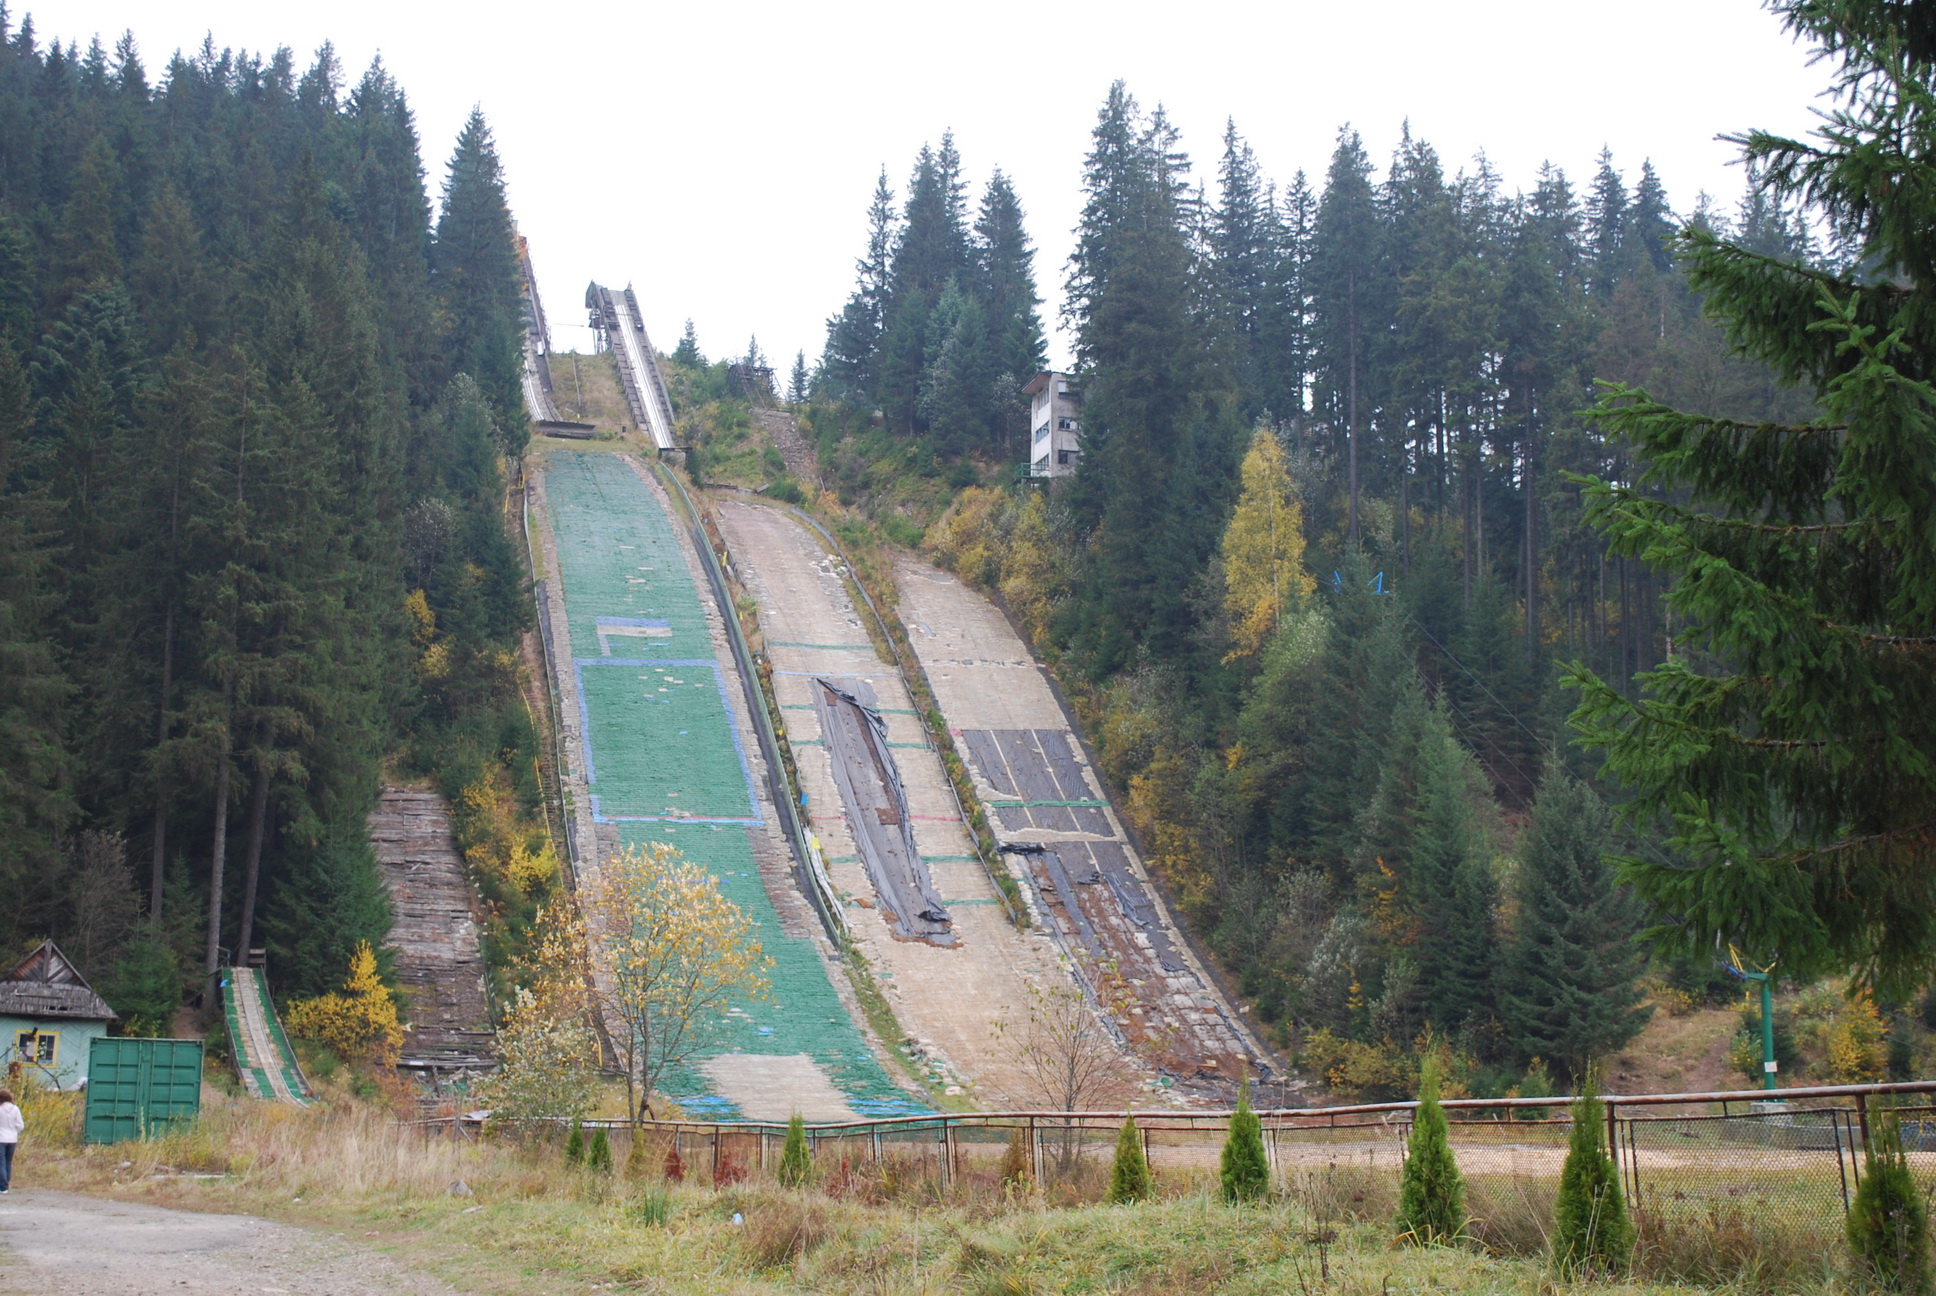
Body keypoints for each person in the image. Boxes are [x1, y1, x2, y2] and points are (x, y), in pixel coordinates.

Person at [0, 1087, 21, 1193]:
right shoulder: (15, 1109)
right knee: (8, 1162)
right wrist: (14, 1131)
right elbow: (20, 1125)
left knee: (1, 1162)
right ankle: (6, 1183)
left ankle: (3, 1186)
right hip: (12, 1139)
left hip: (1, 1138)